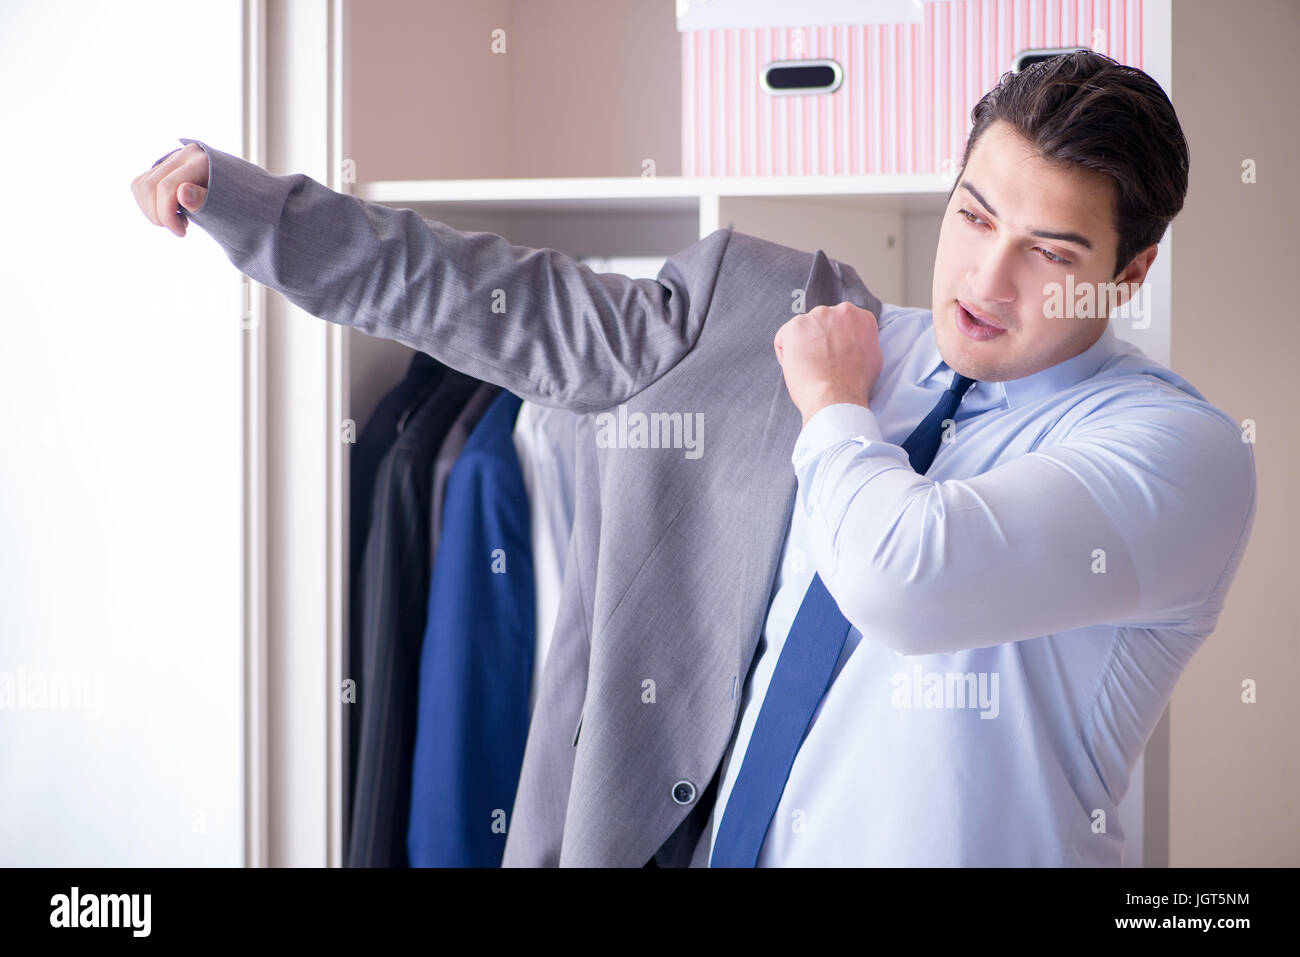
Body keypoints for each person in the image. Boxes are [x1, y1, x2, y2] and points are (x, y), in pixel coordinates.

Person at [131, 50, 1256, 866]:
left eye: (1047, 250)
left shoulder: (1171, 454)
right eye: (971, 216)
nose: (984, 279)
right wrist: (250, 208)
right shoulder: (801, 325)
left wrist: (830, 405)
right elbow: (507, 307)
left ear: (1129, 270)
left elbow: (905, 580)